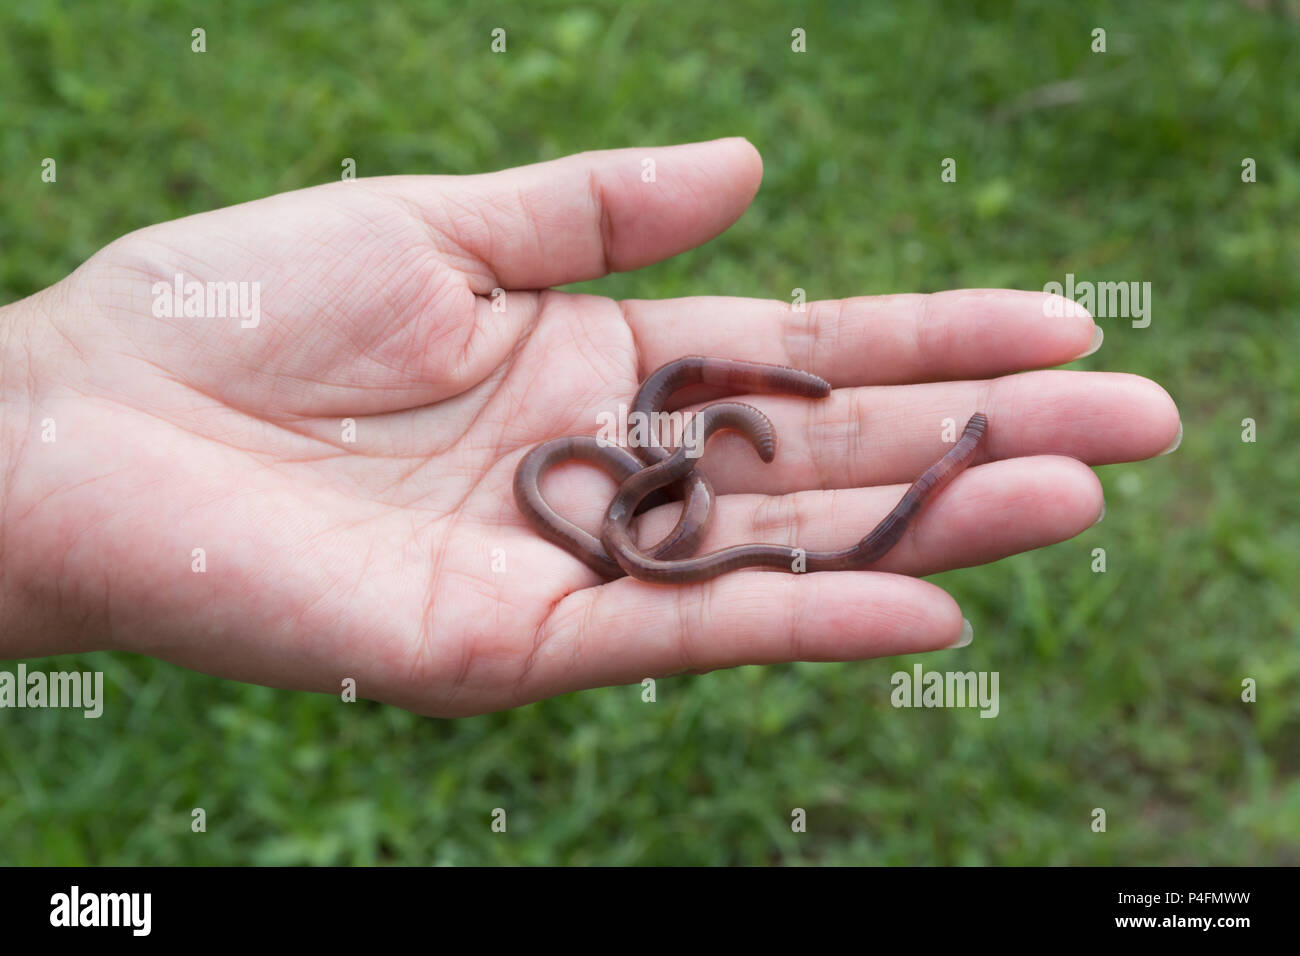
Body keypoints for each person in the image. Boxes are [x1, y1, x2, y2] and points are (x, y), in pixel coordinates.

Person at [0, 138, 1180, 717]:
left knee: (749, 495)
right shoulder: (656, 470)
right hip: (647, 490)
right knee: (726, 494)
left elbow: (697, 440)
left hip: (651, 484)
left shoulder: (663, 455)